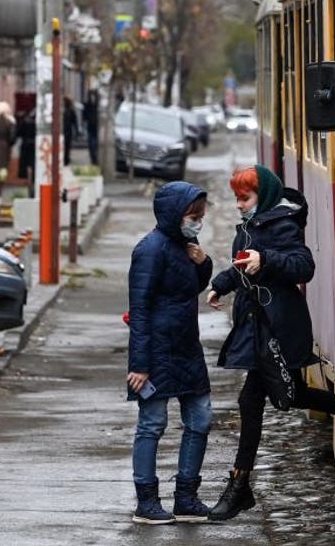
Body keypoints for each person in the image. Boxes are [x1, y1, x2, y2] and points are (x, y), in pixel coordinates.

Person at [205, 165, 335, 522]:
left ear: (265, 197)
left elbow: (303, 266)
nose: (240, 205)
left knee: (252, 399)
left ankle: (239, 485)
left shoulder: (281, 224)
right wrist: (221, 283)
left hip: (279, 328)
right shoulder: (252, 226)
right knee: (290, 395)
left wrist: (267, 259)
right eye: (237, 199)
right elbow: (244, 266)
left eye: (245, 198)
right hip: (260, 325)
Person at [126, 181, 215, 525]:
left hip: (187, 347)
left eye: (200, 216)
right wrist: (140, 364)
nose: (197, 222)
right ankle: (146, 501)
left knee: (201, 418)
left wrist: (203, 261)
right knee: (152, 423)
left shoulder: (186, 244)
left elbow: (195, 285)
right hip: (157, 351)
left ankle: (186, 497)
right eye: (193, 215)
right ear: (174, 214)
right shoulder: (150, 249)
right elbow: (140, 309)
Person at [15, 107, 36, 194]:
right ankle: (32, 182)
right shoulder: (38, 124)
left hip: (25, 146)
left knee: (27, 166)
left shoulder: (25, 122)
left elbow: (18, 133)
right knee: (33, 165)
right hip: (35, 146)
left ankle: (29, 181)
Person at [82, 90, 100, 166]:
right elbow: (84, 115)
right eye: (91, 96)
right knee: (91, 144)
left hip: (96, 128)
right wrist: (85, 121)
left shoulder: (97, 105)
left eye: (93, 96)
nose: (92, 98)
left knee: (95, 144)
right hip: (90, 127)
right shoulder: (87, 105)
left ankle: (95, 159)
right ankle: (93, 159)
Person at [62, 95, 79, 166]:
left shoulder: (70, 111)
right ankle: (65, 159)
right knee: (66, 146)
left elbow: (75, 122)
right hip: (65, 130)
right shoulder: (65, 110)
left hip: (67, 131)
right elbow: (75, 122)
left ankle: (66, 159)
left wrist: (76, 131)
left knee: (67, 146)